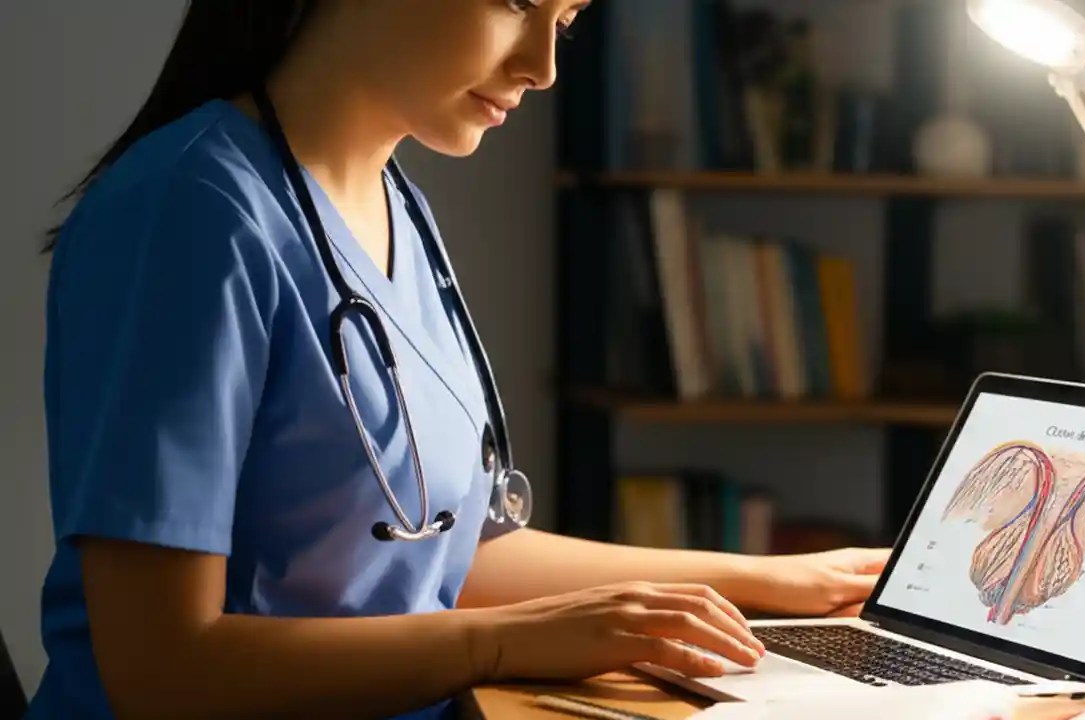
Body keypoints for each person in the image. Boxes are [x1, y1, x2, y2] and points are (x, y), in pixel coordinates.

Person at [28, 2, 898, 718]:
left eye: (566, 19)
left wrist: (777, 584)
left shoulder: (395, 205)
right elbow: (162, 669)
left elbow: (445, 556)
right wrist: (507, 640)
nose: (543, 67)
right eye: (517, 4)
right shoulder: (190, 214)